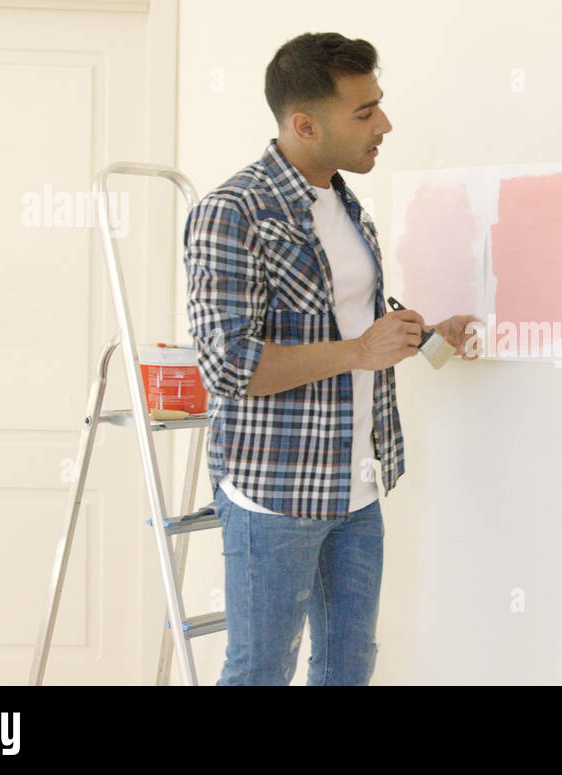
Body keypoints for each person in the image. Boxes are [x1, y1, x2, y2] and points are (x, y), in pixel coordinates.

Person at [183, 32, 479, 685]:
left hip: (357, 484)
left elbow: (357, 314)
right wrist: (358, 351)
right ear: (305, 124)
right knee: (261, 668)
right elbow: (229, 366)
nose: (386, 124)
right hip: (275, 493)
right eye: (365, 112)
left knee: (347, 666)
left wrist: (431, 335)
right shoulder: (231, 214)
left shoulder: (346, 207)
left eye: (380, 105)